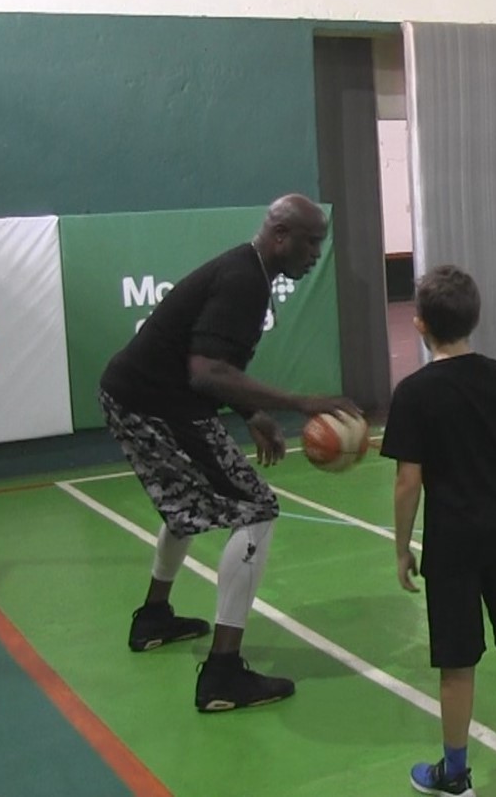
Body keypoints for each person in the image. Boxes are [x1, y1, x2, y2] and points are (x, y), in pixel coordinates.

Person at [99, 193, 360, 713]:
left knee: (188, 504)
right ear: (281, 235)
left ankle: (153, 619)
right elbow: (205, 372)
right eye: (311, 242)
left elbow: (209, 362)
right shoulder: (244, 281)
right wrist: (298, 403)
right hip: (156, 405)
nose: (315, 254)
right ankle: (222, 673)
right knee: (256, 510)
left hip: (143, 397)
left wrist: (249, 413)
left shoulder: (249, 274)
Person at [382, 265, 496, 796]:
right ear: (474, 319)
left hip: (452, 543)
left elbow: (407, 483)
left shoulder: (413, 392)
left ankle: (455, 774)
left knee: (457, 662)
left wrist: (400, 548)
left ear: (419, 325)